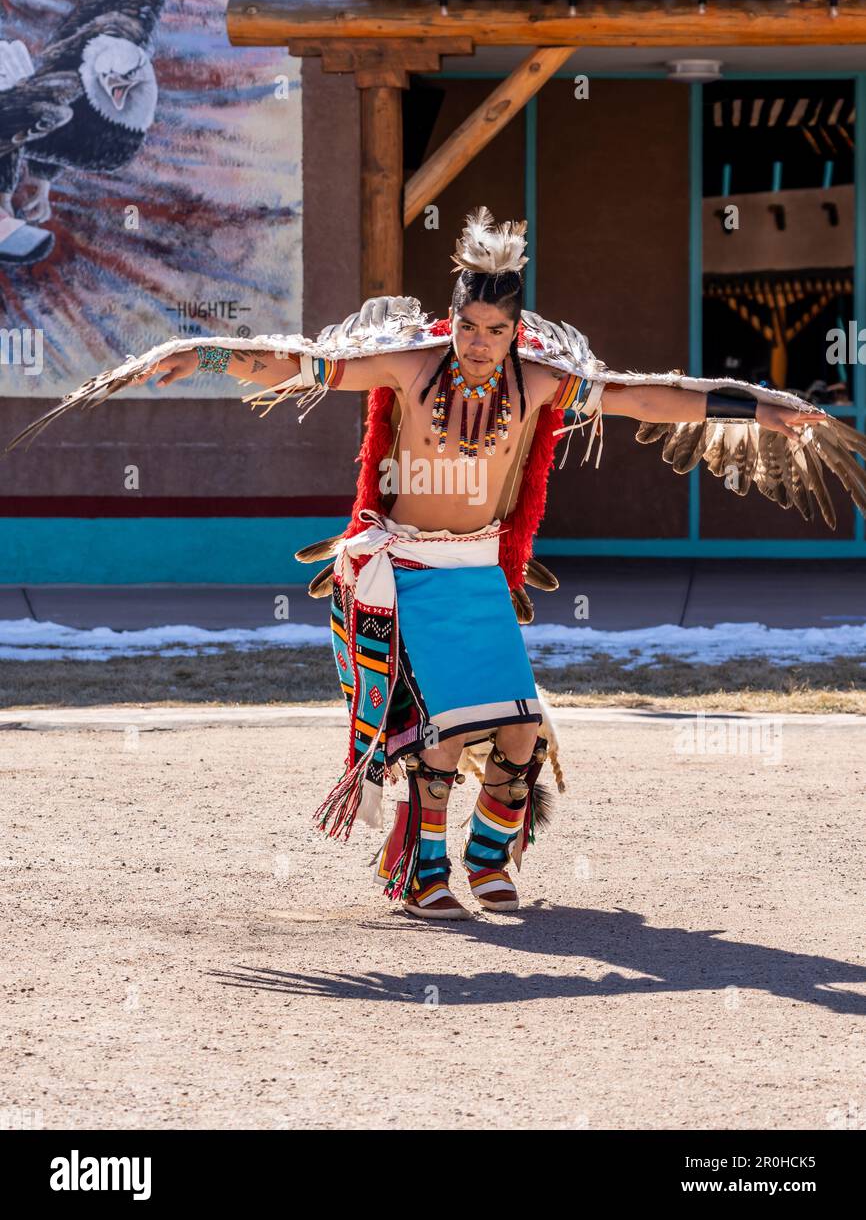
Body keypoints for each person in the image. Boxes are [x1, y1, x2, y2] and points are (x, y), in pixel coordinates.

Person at [117, 208, 830, 922]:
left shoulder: (541, 381)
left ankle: (488, 858)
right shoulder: (409, 366)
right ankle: (424, 871)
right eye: (469, 328)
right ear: (451, 321)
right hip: (406, 574)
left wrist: (756, 403)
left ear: (515, 330)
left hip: (479, 575)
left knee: (519, 731)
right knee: (450, 731)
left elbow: (645, 394)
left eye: (495, 331)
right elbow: (299, 364)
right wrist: (202, 351)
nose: (481, 344)